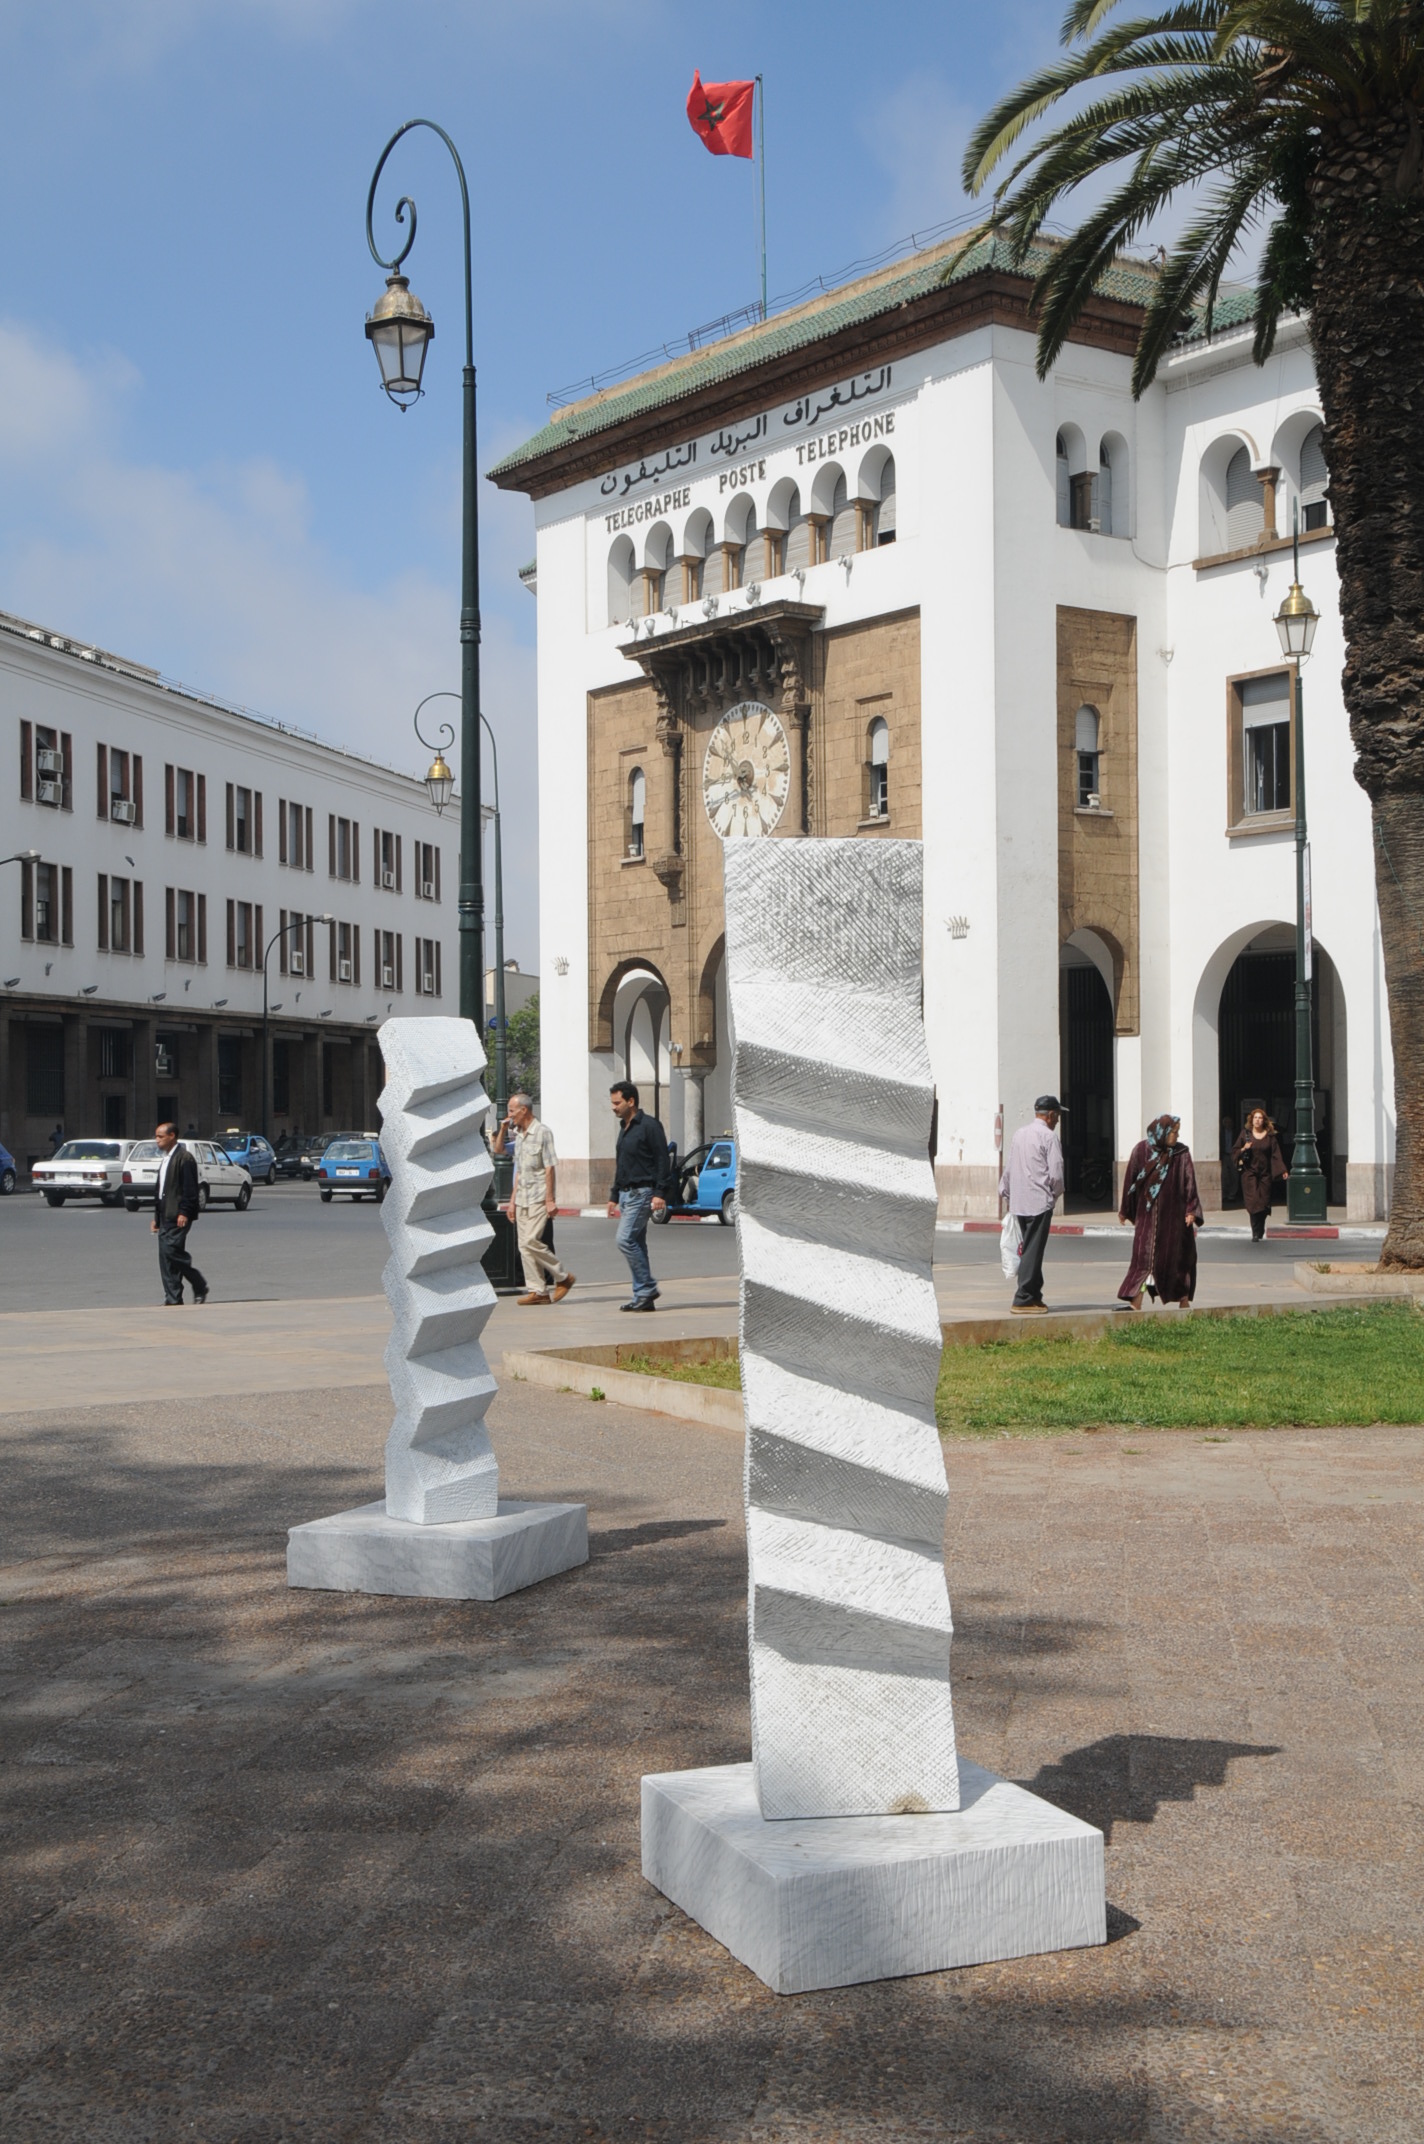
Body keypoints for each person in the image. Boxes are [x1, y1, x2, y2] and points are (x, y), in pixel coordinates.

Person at [492, 1094, 576, 1307]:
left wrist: (550, 1199)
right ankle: (537, 1290)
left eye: (512, 1110)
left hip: (539, 1196)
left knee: (531, 1241)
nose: (509, 1115)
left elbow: (549, 1166)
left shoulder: (542, 1132)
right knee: (524, 1246)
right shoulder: (519, 1135)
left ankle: (563, 1276)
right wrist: (512, 1202)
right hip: (522, 1197)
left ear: (524, 1110)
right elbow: (502, 1153)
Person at [1117, 1114, 1202, 1309]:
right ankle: (1135, 1301)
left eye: (1177, 1132)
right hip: (1146, 1217)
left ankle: (1183, 1301)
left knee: (1178, 1261)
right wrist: (1125, 1210)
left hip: (1174, 1219)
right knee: (1142, 1261)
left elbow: (1190, 1182)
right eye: (1174, 1132)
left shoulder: (1181, 1154)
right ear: (1161, 1132)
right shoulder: (1141, 1151)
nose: (1176, 1136)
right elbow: (1131, 1181)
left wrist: (1191, 1210)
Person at [606, 1081, 669, 1311]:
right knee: (638, 1244)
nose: (613, 1107)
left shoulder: (650, 1126)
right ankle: (643, 1297)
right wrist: (614, 1195)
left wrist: (660, 1192)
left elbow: (663, 1160)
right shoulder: (625, 1128)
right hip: (626, 1194)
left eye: (617, 1102)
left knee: (625, 1240)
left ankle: (647, 1287)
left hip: (643, 1193)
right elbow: (622, 1163)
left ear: (630, 1101)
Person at [998, 1095, 1066, 1314]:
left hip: (1019, 1201)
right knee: (1032, 1250)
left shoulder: (1019, 1134)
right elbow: (1056, 1172)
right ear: (1051, 1115)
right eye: (1057, 1116)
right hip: (1039, 1201)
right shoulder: (1049, 1137)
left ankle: (1035, 1295)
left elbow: (1009, 1166)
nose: (1057, 1121)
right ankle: (1023, 1298)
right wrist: (1054, 1195)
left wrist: (1005, 1191)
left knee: (1029, 1248)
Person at [150, 1121, 208, 1307]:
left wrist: (184, 1212)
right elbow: (161, 1192)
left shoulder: (185, 1158)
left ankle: (198, 1283)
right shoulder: (166, 1159)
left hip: (178, 1215)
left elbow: (190, 1189)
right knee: (165, 1258)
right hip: (165, 1215)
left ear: (172, 1136)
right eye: (156, 1136)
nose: (157, 1140)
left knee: (171, 1251)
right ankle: (173, 1298)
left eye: (160, 1136)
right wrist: (156, 1218)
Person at [1231, 1108, 1288, 1242]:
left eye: (1260, 1118)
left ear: (1264, 1120)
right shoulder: (1245, 1134)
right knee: (1253, 1202)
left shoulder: (1270, 1137)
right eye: (1255, 1118)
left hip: (1265, 1174)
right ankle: (1255, 1232)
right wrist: (1244, 1148)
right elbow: (1234, 1151)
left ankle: (1260, 1229)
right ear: (1251, 1120)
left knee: (1264, 1203)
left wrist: (1283, 1170)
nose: (1257, 1120)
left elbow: (1276, 1155)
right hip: (1249, 1173)